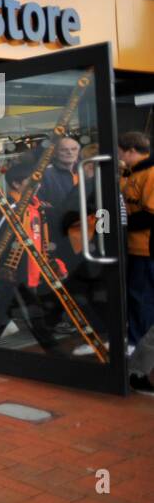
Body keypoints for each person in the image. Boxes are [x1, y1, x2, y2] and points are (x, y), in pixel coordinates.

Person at [0, 161, 67, 352]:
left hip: (29, 271)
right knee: (34, 314)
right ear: (17, 184)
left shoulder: (35, 207)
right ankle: (55, 352)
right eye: (33, 181)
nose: (38, 185)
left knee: (4, 311)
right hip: (16, 271)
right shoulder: (14, 207)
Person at [119, 131, 154, 383]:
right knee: (136, 297)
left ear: (130, 150)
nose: (120, 156)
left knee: (142, 299)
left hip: (146, 248)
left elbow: (150, 214)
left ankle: (140, 353)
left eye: (121, 152)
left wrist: (121, 226)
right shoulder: (129, 174)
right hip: (133, 247)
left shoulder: (150, 174)